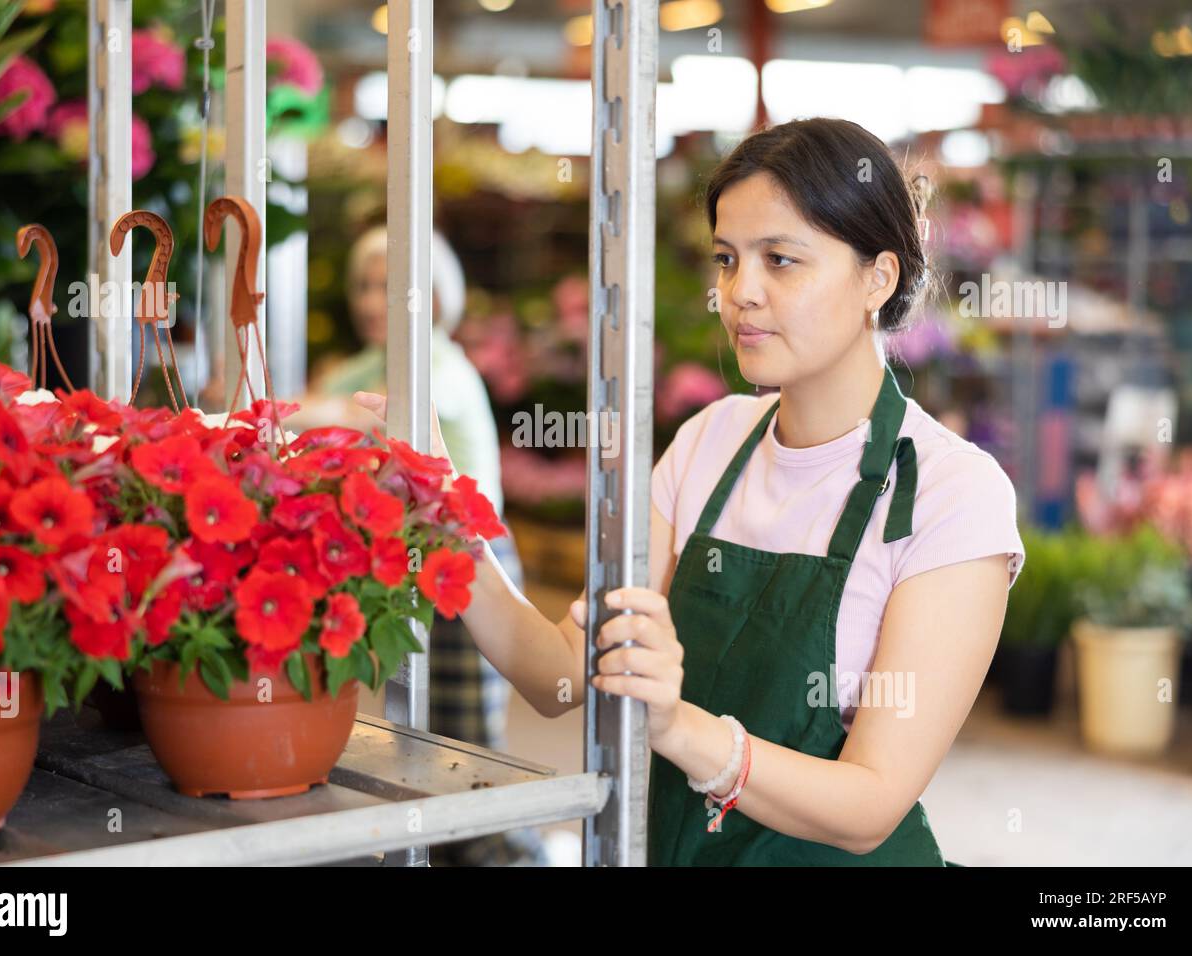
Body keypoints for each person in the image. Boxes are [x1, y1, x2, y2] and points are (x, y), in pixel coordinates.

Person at [354, 118, 1026, 866]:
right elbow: (559, 678)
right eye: (727, 259)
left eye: (781, 260)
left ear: (880, 276)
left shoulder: (954, 494)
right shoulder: (713, 441)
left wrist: (676, 727)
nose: (742, 292)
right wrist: (437, 504)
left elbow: (869, 805)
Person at [305, 226, 547, 867]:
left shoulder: (439, 366)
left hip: (473, 567)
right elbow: (316, 406)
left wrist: (294, 412)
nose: (370, 301)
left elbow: (353, 416)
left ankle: (511, 854)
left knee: (470, 747)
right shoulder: (364, 366)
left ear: (434, 300)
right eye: (362, 286)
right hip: (411, 568)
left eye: (389, 288)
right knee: (423, 741)